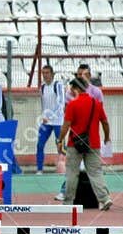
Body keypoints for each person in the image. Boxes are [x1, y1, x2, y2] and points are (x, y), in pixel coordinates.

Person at [61, 77, 113, 210]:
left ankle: (68, 202)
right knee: (95, 172)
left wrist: (60, 139)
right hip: (93, 142)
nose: (71, 91)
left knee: (72, 172)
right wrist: (107, 137)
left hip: (75, 143)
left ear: (75, 88)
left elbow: (66, 125)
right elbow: (105, 122)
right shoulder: (96, 103)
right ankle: (104, 198)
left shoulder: (72, 104)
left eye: (71, 89)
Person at [35, 63, 67, 174]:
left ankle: (63, 168)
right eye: (43, 73)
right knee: (40, 144)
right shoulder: (42, 87)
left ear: (52, 74)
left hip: (58, 121)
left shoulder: (58, 85)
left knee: (60, 145)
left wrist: (50, 116)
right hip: (46, 122)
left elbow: (61, 103)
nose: (45, 75)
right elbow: (43, 105)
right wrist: (44, 116)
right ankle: (39, 169)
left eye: (47, 73)